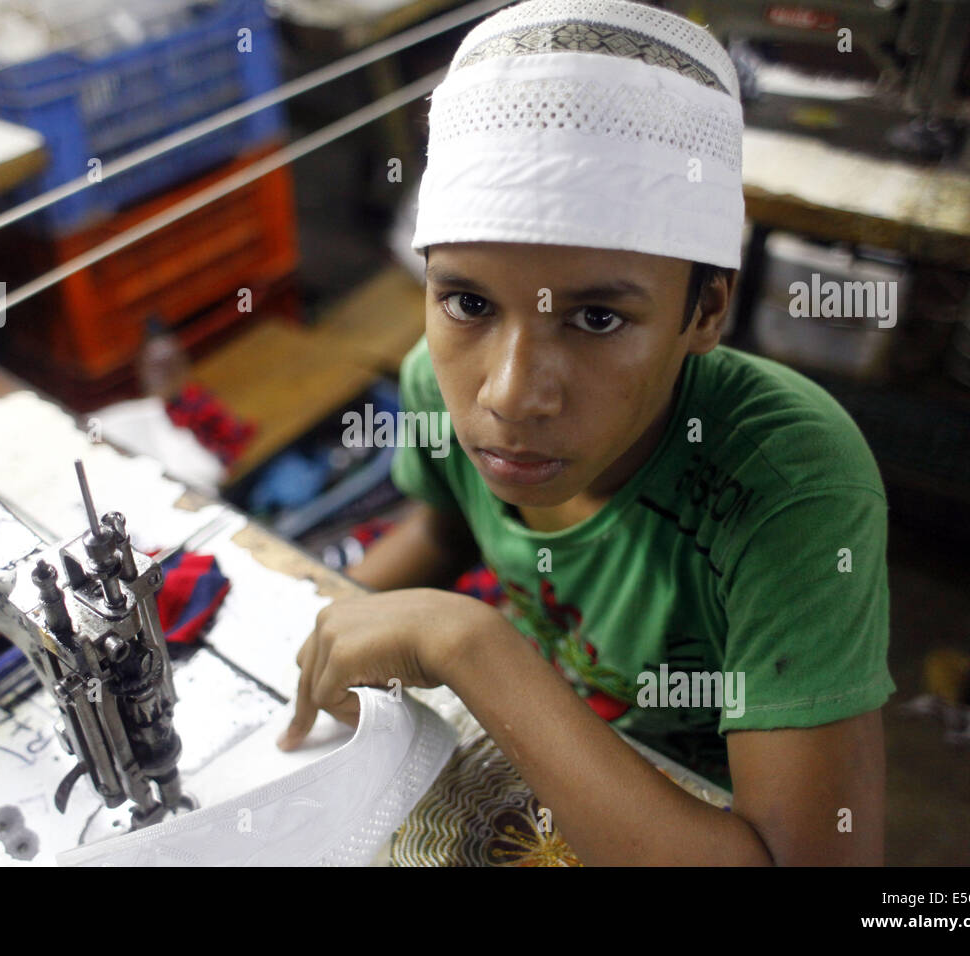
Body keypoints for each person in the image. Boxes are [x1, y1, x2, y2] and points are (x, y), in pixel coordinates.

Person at [279, 0, 893, 865]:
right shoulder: (431, 381)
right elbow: (444, 528)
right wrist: (306, 645)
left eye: (598, 318)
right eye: (467, 302)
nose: (509, 394)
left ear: (705, 307)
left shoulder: (791, 484)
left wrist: (470, 645)